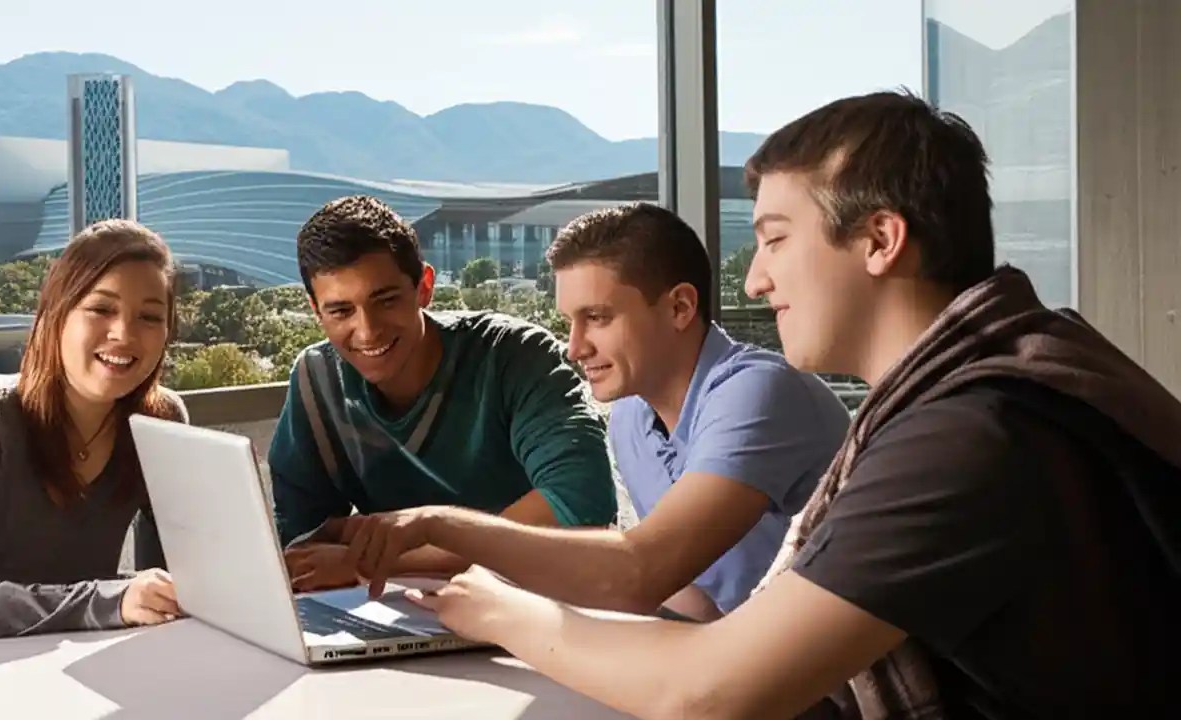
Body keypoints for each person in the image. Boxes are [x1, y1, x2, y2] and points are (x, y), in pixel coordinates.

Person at [390, 91, 1181, 719]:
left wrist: (496, 611)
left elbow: (711, 693)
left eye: (774, 238)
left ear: (880, 240)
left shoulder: (968, 436)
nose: (756, 279)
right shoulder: (980, 395)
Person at [338, 203, 850, 621]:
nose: (574, 346)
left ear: (680, 308)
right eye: (570, 322)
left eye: (597, 318)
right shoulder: (630, 416)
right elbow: (689, 596)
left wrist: (440, 526)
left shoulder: (757, 392)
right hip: (732, 660)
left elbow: (641, 571)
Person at [269, 195, 616, 590]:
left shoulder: (514, 356)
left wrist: (379, 564)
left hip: (544, 599)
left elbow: (580, 503)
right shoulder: (317, 380)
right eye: (341, 311)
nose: (367, 331)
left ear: (424, 287)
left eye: (386, 301)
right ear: (316, 310)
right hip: (403, 611)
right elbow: (302, 542)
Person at [0, 219, 190, 640]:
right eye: (101, 309)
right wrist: (102, 602)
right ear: (56, 314)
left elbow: (173, 584)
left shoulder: (160, 422)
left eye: (149, 316)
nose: (124, 333)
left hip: (89, 668)